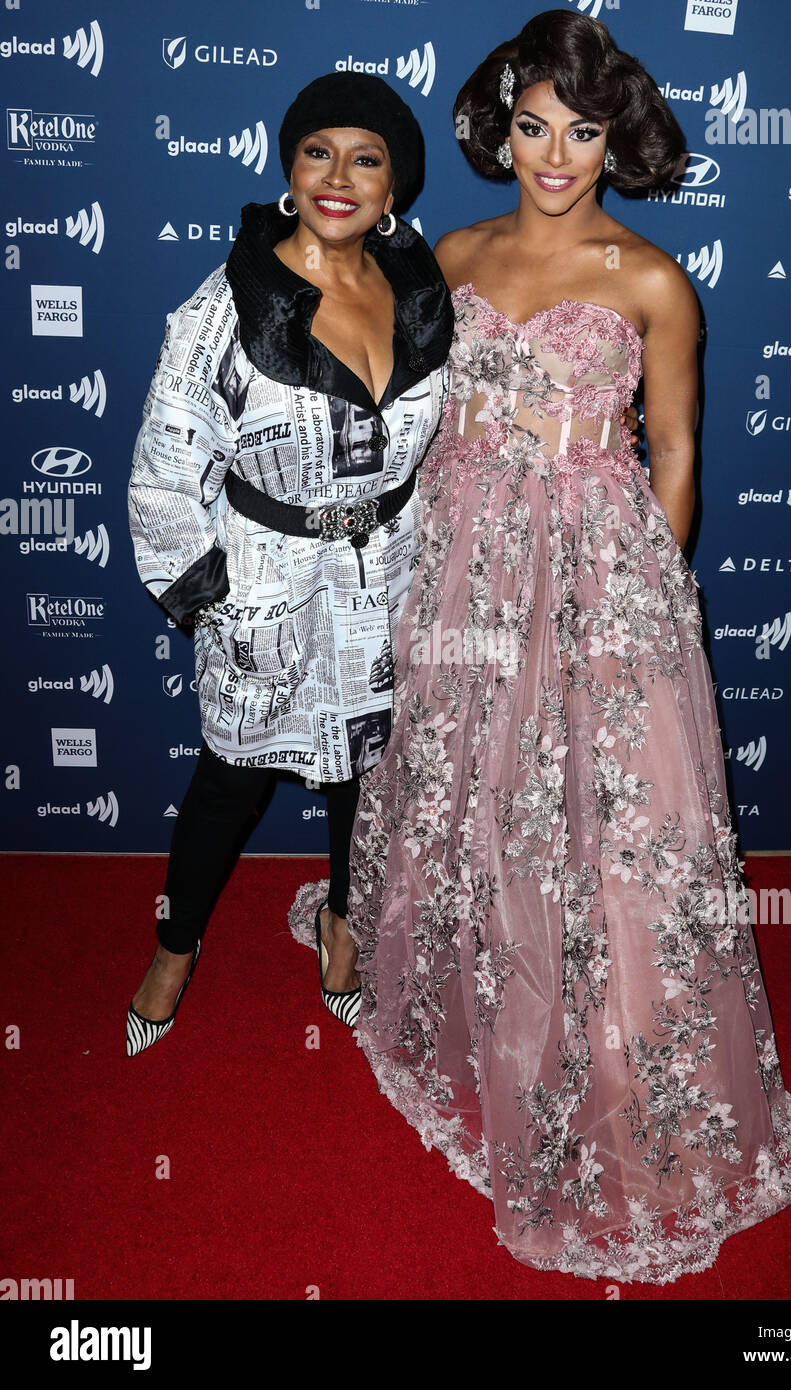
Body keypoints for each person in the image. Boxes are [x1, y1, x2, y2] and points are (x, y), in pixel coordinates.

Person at [290, 10, 791, 1283]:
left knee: (604, 816)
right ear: (502, 128)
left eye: (581, 132)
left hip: (596, 572)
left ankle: (618, 1053)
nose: (554, 153)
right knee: (479, 787)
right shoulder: (455, 250)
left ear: (613, 140)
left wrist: (642, 604)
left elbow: (676, 457)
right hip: (466, 555)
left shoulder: (651, 280)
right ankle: (475, 992)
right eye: (533, 126)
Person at [126, 72, 455, 1052]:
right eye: (319, 151)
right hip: (265, 578)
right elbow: (161, 474)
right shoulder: (225, 307)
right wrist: (210, 601)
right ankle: (174, 945)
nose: (338, 176)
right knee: (229, 777)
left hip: (385, 577)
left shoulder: (421, 296)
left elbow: (439, 450)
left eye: (367, 158)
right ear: (288, 167)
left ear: (395, 185)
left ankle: (343, 927)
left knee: (366, 770)